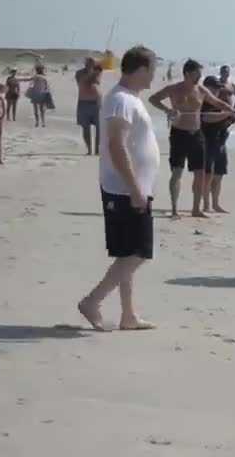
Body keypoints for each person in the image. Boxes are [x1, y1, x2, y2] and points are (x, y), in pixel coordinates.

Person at [78, 45, 161, 332]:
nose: (154, 76)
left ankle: (128, 315)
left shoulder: (130, 99)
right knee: (137, 253)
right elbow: (116, 145)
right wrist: (135, 188)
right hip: (125, 191)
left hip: (131, 189)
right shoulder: (122, 100)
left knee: (127, 253)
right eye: (153, 69)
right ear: (141, 69)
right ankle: (92, 301)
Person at [149, 59, 235, 219]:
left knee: (200, 173)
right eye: (197, 73)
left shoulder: (201, 90)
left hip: (197, 135)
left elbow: (217, 102)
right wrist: (168, 110)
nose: (199, 76)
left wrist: (232, 110)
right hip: (179, 134)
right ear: (187, 73)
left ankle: (196, 209)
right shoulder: (174, 89)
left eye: (200, 73)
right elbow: (153, 99)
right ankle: (175, 209)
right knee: (177, 173)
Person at [200, 76, 235, 213]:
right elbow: (206, 118)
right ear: (206, 87)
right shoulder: (201, 102)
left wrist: (233, 118)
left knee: (219, 174)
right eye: (215, 88)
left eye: (219, 88)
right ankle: (206, 204)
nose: (217, 90)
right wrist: (227, 113)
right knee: (207, 175)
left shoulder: (219, 103)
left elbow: (224, 120)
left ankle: (215, 204)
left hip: (221, 142)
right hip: (207, 142)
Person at [75, 57, 102, 155]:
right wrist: (91, 73)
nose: (91, 64)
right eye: (89, 62)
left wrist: (94, 71)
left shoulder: (97, 72)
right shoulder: (79, 73)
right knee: (85, 128)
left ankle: (97, 150)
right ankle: (89, 149)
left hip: (96, 103)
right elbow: (83, 82)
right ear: (85, 63)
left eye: (93, 63)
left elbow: (97, 82)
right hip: (83, 103)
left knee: (99, 129)